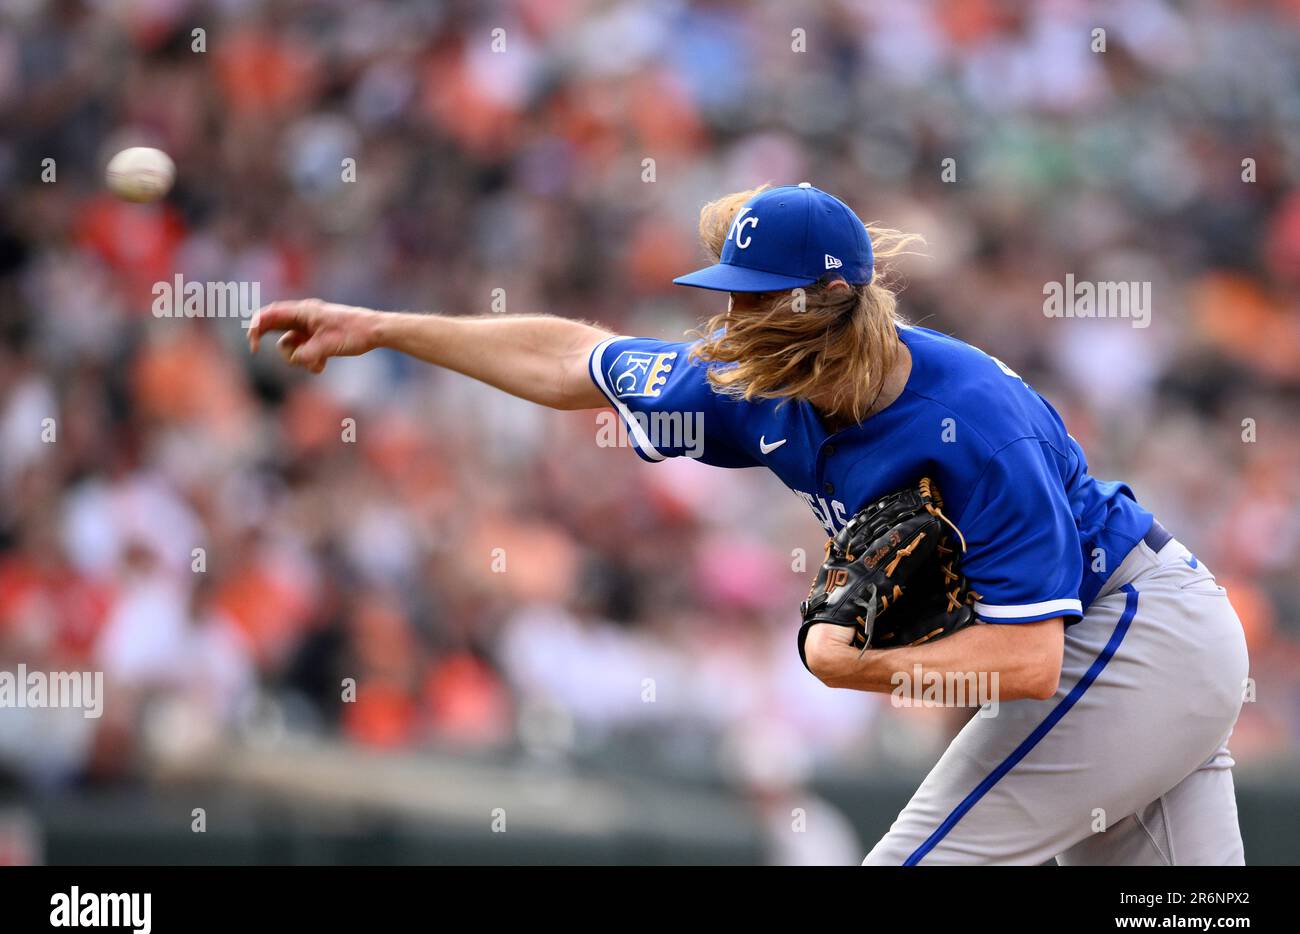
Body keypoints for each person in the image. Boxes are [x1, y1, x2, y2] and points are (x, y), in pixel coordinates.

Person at [247, 183, 1250, 865]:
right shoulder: (751, 380)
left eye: (755, 302)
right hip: (1134, 650)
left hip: (1128, 638)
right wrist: (384, 326)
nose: (729, 324)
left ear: (832, 306)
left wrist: (857, 664)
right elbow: (575, 361)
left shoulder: (971, 421)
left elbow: (1029, 660)